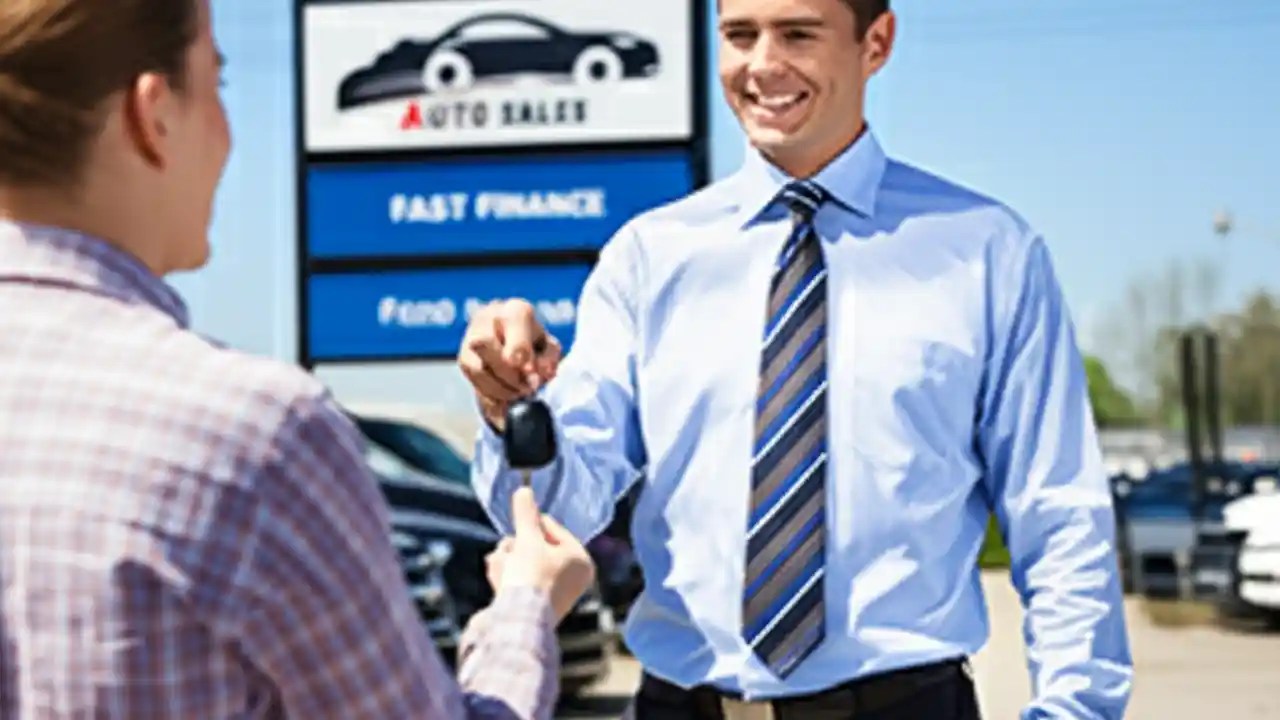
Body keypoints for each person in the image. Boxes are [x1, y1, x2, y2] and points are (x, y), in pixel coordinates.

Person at [459, 0, 1134, 717]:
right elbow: (556, 508)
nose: (762, 64)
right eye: (739, 34)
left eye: (798, 34)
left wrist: (1075, 709)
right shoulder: (647, 259)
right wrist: (509, 408)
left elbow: (1058, 514)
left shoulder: (987, 253)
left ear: (876, 44)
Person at [0, 1, 595, 718]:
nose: (227, 131)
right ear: (152, 115)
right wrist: (524, 608)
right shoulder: (248, 431)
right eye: (218, 84)